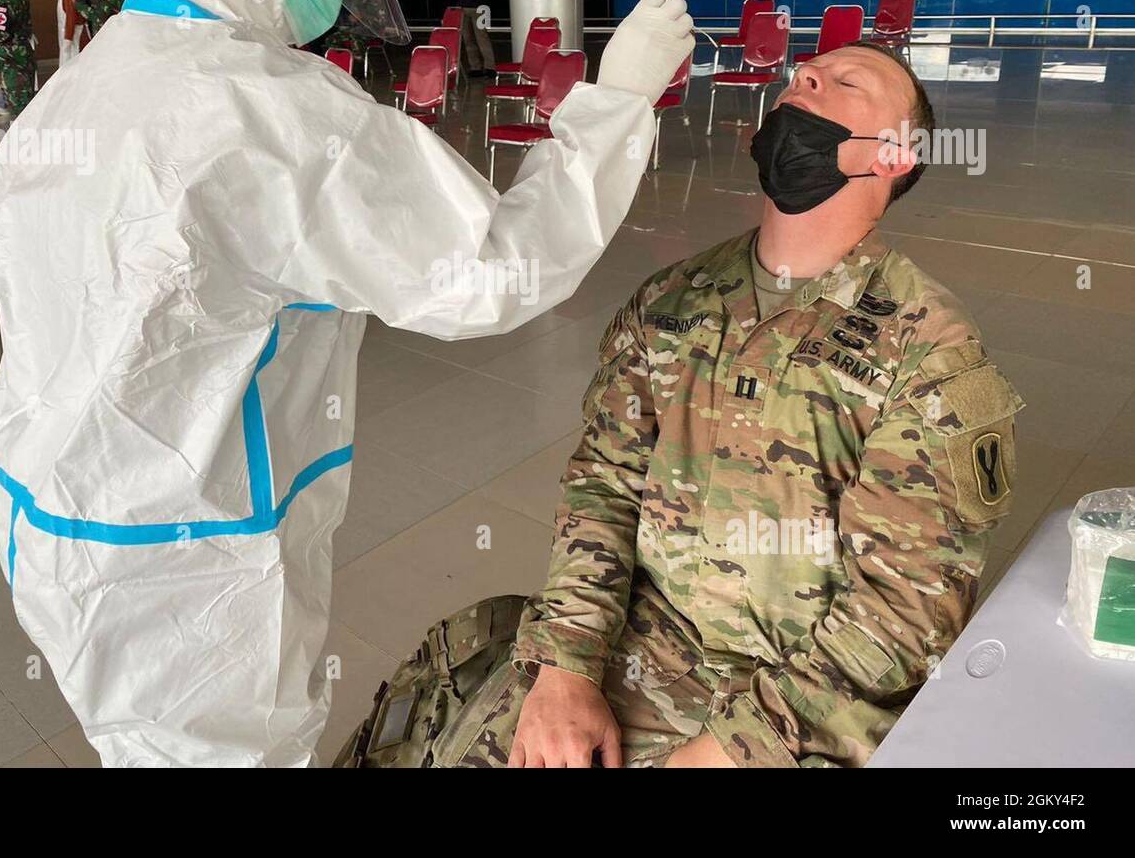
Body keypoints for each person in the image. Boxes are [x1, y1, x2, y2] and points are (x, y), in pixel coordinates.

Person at [0, 0, 693, 769]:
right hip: (193, 571)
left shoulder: (84, 83)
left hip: (56, 521)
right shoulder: (258, 110)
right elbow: (491, 276)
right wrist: (612, 106)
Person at [411, 41, 1024, 769]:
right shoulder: (673, 299)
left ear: (893, 155)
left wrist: (728, 751)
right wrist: (569, 665)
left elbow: (904, 613)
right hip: (636, 657)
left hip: (803, 712)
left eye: (846, 81)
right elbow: (603, 486)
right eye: (805, 73)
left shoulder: (928, 347)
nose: (807, 77)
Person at [52, 0, 90, 67]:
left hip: (75, 37)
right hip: (70, 35)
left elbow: (71, 18)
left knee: (73, 64)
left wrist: (67, 39)